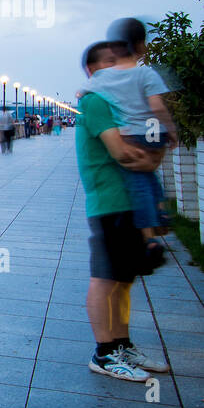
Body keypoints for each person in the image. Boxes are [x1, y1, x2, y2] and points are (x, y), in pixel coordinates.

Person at [76, 41, 169, 381]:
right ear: (92, 70)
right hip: (109, 202)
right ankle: (103, 353)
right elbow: (121, 153)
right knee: (105, 279)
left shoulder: (116, 103)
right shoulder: (95, 101)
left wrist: (149, 157)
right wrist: (149, 159)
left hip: (128, 202)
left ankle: (121, 344)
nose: (119, 68)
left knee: (123, 281)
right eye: (110, 62)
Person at [93, 17, 178, 260]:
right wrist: (171, 129)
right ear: (141, 45)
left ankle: (148, 237)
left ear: (113, 48)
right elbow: (157, 106)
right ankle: (160, 209)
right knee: (149, 173)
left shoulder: (104, 77)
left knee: (137, 182)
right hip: (153, 133)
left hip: (128, 135)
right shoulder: (146, 74)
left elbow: (86, 93)